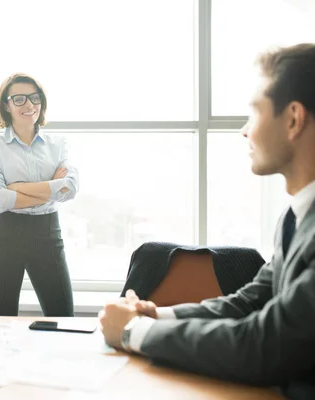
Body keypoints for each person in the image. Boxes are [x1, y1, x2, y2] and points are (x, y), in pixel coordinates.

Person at [99, 43, 315, 399]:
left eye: (254, 113)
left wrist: (133, 333)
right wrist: (156, 316)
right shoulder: (296, 218)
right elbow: (248, 302)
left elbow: (266, 345)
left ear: (292, 119)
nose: (245, 131)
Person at [0, 73, 79, 316]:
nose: (29, 105)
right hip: (6, 234)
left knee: (63, 317)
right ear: (6, 104)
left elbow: (70, 188)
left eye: (34, 98)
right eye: (19, 99)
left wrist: (16, 187)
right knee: (1, 322)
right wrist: (50, 187)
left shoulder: (58, 143)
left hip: (47, 232)